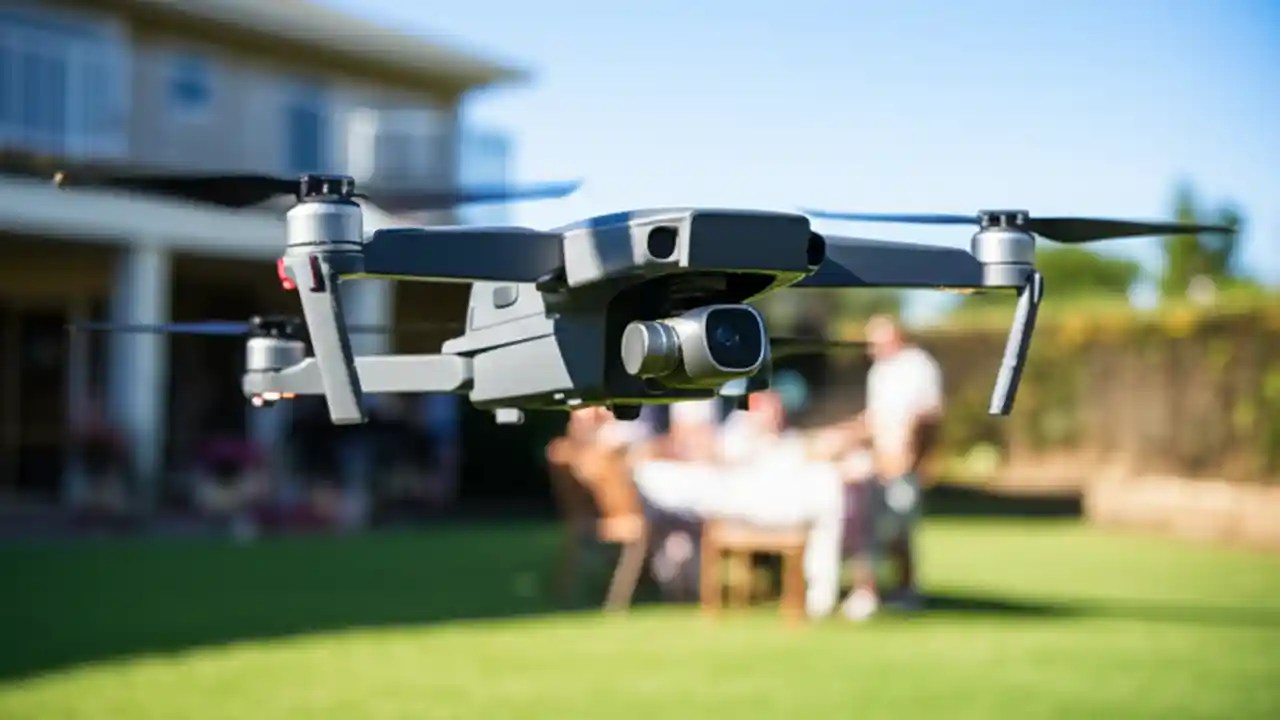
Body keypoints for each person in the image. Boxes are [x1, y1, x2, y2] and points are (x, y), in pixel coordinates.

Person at [841, 313, 944, 621]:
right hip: (881, 460)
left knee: (899, 528)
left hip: (903, 464)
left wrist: (911, 459)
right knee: (868, 525)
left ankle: (906, 589)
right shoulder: (879, 371)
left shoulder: (918, 365)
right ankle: (867, 590)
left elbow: (927, 415)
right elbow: (875, 418)